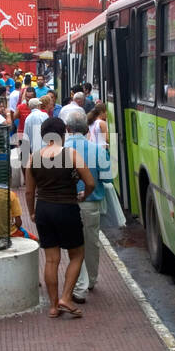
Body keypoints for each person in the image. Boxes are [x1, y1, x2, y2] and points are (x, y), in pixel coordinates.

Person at [24, 116, 95, 318]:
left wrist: (32, 212)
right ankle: (66, 297)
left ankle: (54, 307)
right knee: (77, 254)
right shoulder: (70, 154)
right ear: (63, 132)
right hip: (67, 208)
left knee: (51, 260)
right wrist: (84, 195)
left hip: (44, 209)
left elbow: (29, 192)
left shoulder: (33, 158)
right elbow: (90, 182)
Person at [65, 111, 114, 304]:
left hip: (66, 205)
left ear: (67, 129)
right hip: (91, 203)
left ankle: (80, 285)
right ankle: (90, 281)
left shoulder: (59, 150)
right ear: (86, 129)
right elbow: (108, 177)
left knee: (73, 246)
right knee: (91, 243)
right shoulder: (98, 151)